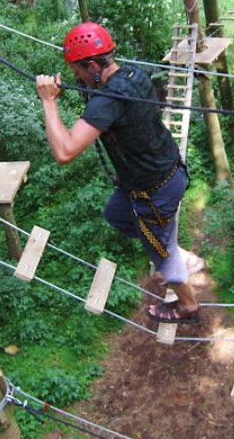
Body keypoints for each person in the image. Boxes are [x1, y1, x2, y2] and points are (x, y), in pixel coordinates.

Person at [35, 22, 200, 324]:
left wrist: (48, 101)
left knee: (162, 256)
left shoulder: (108, 100)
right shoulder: (135, 74)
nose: (77, 78)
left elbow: (65, 152)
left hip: (154, 191)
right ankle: (175, 253)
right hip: (162, 172)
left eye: (79, 71)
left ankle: (188, 307)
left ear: (93, 65)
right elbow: (111, 106)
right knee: (117, 215)